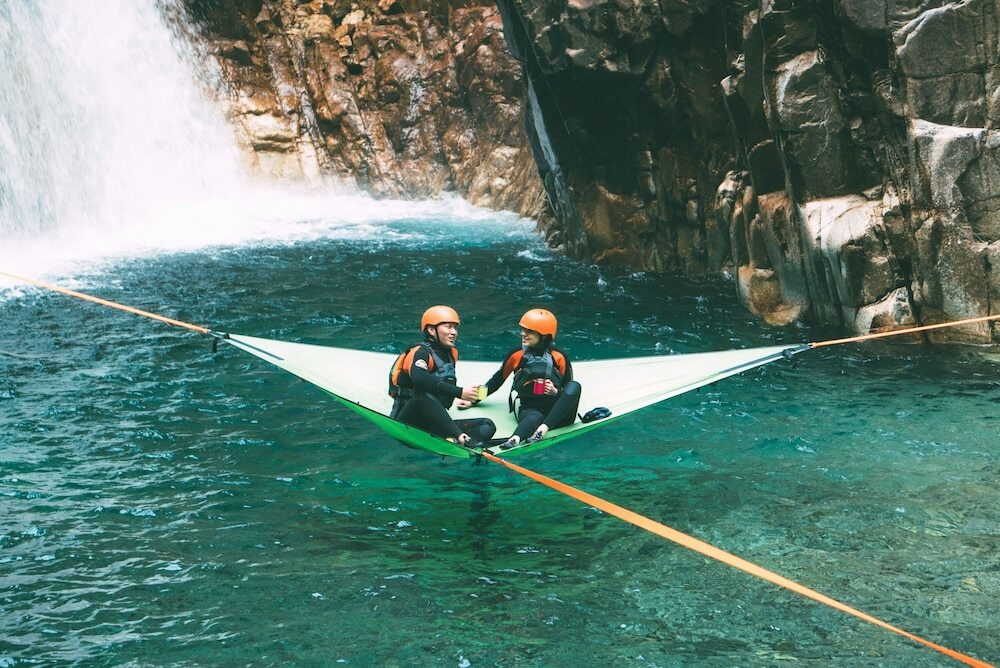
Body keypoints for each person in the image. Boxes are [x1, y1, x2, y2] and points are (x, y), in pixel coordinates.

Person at [389, 305, 496, 446]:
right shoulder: (420, 352)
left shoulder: (452, 354)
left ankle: (458, 440)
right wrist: (460, 392)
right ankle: (460, 438)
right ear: (431, 330)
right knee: (422, 395)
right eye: (448, 327)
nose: (454, 332)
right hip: (407, 423)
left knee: (487, 425)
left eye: (455, 328)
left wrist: (472, 397)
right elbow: (420, 379)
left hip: (434, 424)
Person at [476, 308, 581, 449]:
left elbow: (569, 393)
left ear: (544, 336)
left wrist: (555, 392)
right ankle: (515, 439)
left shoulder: (559, 357)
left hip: (558, 415)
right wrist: (474, 398)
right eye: (523, 329)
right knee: (534, 417)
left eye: (529, 331)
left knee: (575, 385)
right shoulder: (516, 356)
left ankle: (542, 429)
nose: (522, 334)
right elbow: (496, 381)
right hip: (530, 411)